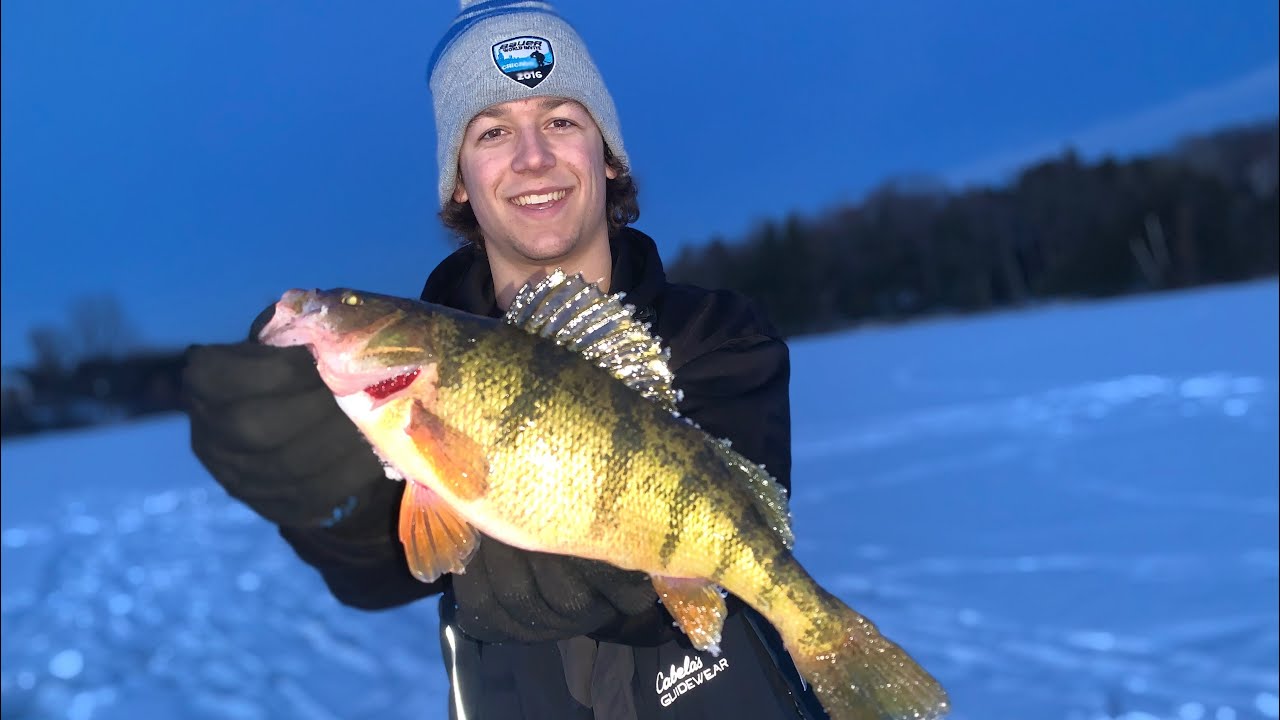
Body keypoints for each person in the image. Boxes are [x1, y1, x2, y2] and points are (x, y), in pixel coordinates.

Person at [183, 1, 828, 717]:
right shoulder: (402, 383)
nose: (533, 157)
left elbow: (728, 538)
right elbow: (382, 570)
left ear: (607, 155)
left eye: (560, 120)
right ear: (458, 177)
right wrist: (317, 495)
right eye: (493, 131)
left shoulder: (719, 336)